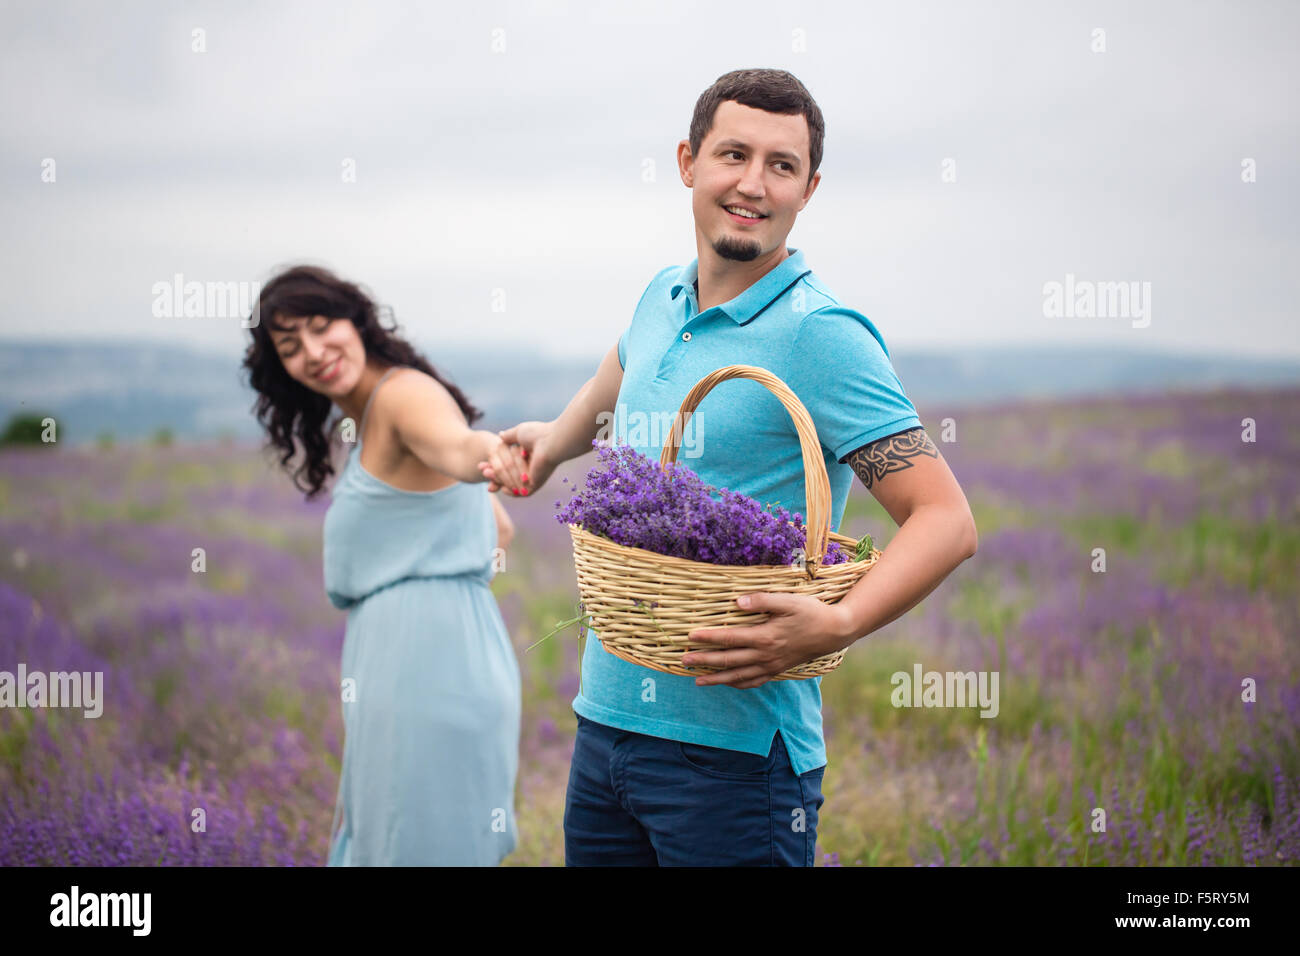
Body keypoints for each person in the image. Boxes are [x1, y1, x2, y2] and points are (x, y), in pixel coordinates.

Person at [479, 68, 979, 867]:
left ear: (809, 188)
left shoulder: (823, 335)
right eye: (733, 155)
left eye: (781, 166)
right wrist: (549, 444)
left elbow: (946, 521)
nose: (753, 185)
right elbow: (616, 389)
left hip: (736, 762)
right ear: (688, 161)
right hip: (606, 724)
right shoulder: (659, 298)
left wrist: (843, 620)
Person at [242, 265, 528, 865]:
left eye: (322, 328)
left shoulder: (403, 396)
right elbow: (497, 527)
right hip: (412, 664)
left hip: (430, 670)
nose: (314, 353)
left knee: (416, 847)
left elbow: (458, 446)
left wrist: (492, 456)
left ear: (357, 321)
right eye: (290, 347)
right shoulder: (368, 413)